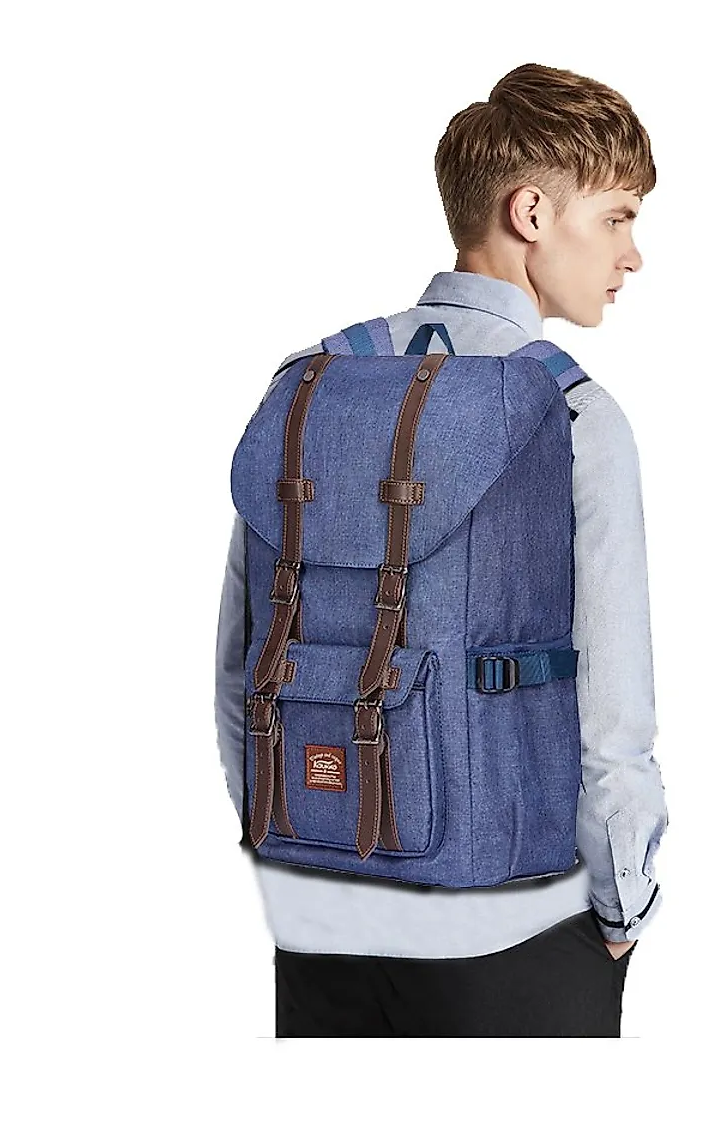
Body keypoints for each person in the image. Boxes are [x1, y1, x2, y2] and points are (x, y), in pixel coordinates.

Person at [214, 62, 668, 1037]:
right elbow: (614, 716)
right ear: (531, 212)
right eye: (618, 217)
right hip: (513, 921)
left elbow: (241, 666)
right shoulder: (572, 411)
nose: (632, 255)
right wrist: (624, 903)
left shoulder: (307, 385)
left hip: (313, 911)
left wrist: (290, 851)